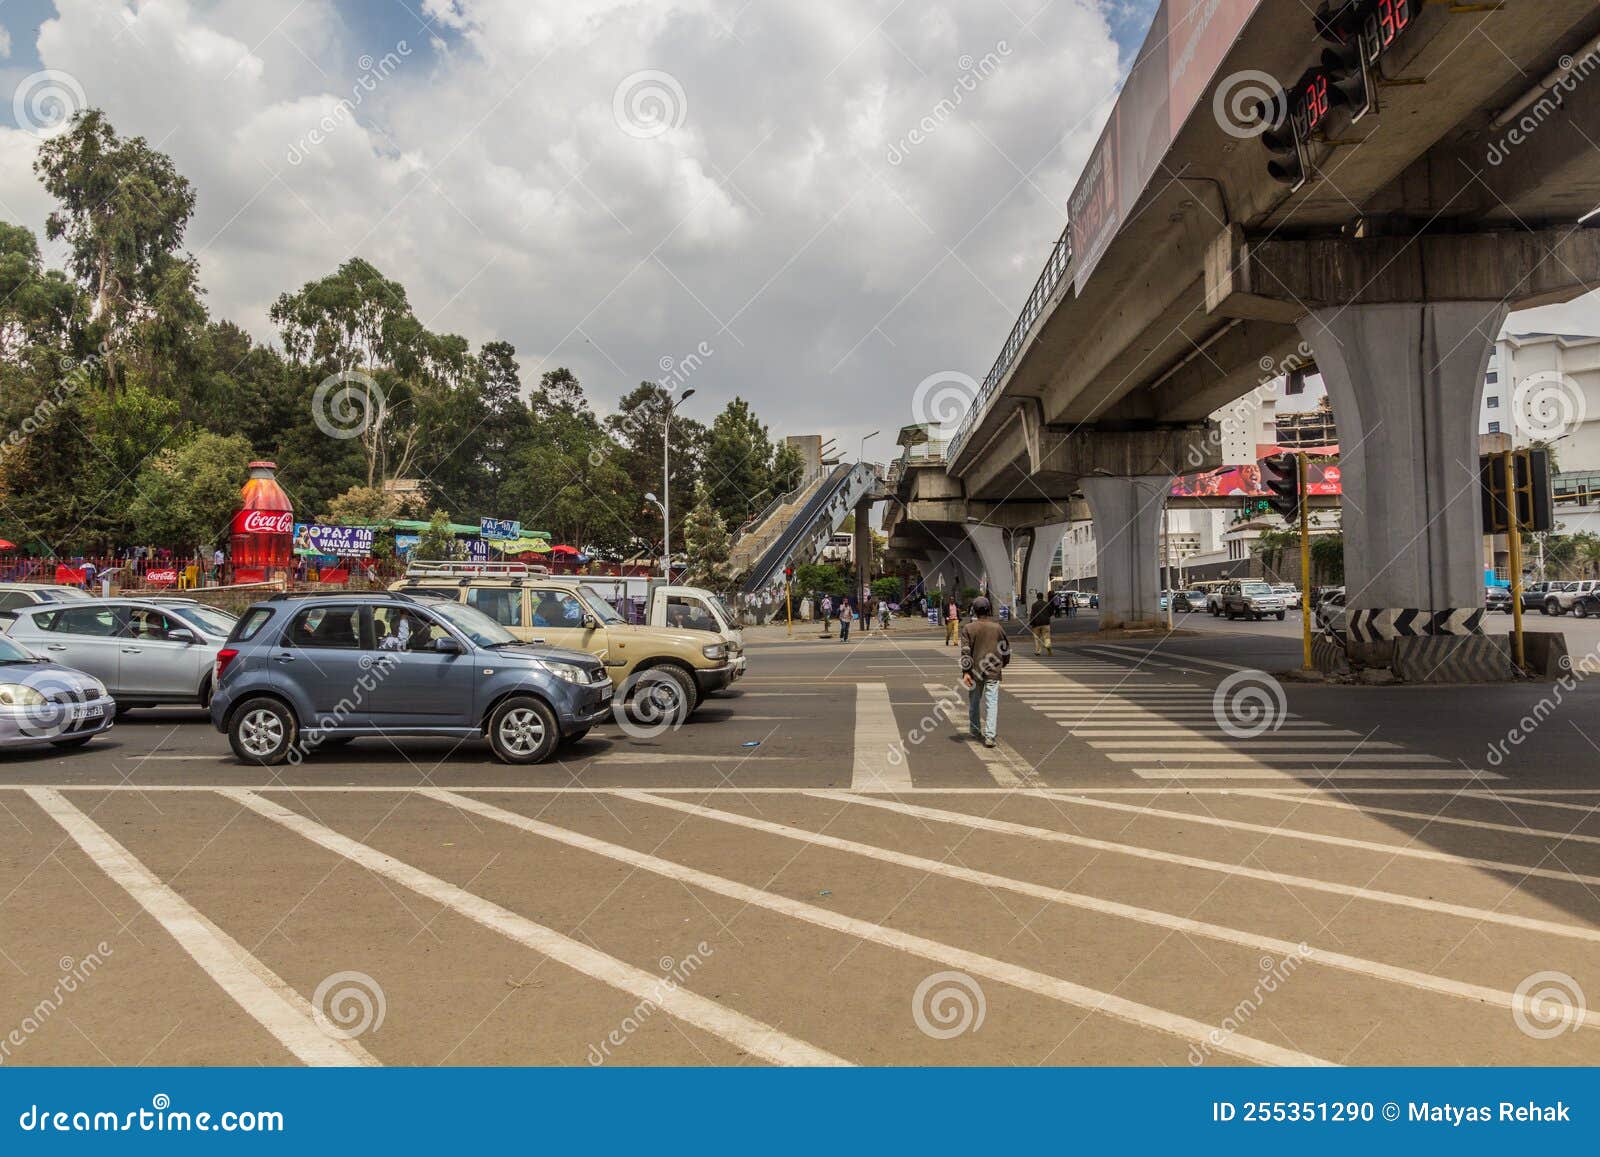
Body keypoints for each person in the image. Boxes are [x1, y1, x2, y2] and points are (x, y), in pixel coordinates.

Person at [959, 596, 1007, 747]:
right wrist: (1003, 664)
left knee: (974, 702)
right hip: (993, 670)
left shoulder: (968, 628)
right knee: (991, 703)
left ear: (974, 611)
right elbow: (1005, 648)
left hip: (975, 672)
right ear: (989, 610)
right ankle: (990, 736)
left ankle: (974, 731)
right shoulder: (997, 628)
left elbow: (965, 652)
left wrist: (966, 672)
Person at [1029, 590, 1053, 656]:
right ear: (1043, 597)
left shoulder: (1034, 605)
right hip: (1045, 623)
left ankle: (1038, 651)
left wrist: (1031, 623)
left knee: (1037, 638)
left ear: (1037, 597)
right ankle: (1048, 647)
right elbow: (1051, 612)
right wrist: (1047, 617)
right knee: (1046, 637)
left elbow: (1032, 615)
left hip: (1036, 624)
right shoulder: (1046, 604)